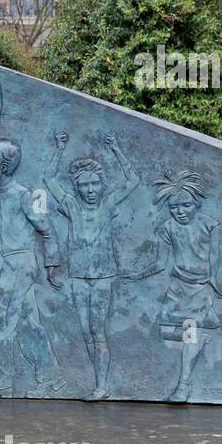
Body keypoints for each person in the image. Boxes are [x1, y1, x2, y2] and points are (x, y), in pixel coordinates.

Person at [43, 130, 139, 399]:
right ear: (77, 188)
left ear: (101, 184)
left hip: (102, 275)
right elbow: (48, 179)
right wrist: (60, 148)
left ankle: (102, 386)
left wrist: (117, 150)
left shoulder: (108, 204)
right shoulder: (71, 206)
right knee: (85, 330)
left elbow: (133, 180)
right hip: (77, 274)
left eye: (94, 184)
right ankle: (98, 380)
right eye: (84, 186)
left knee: (97, 330)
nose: (90, 190)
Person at [0, 137, 65, 398]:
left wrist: (51, 264)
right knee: (28, 324)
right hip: (10, 263)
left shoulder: (24, 194)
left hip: (20, 264)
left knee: (3, 320)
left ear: (4, 166)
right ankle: (50, 377)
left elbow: (46, 230)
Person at [125, 170, 222, 403]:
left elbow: (217, 257)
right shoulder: (168, 228)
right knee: (168, 333)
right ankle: (203, 341)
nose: (180, 211)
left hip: (200, 288)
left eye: (186, 205)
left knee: (191, 333)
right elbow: (160, 263)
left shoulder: (210, 225)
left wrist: (213, 280)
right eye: (174, 207)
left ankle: (184, 385)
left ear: (196, 204)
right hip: (178, 289)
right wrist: (136, 275)